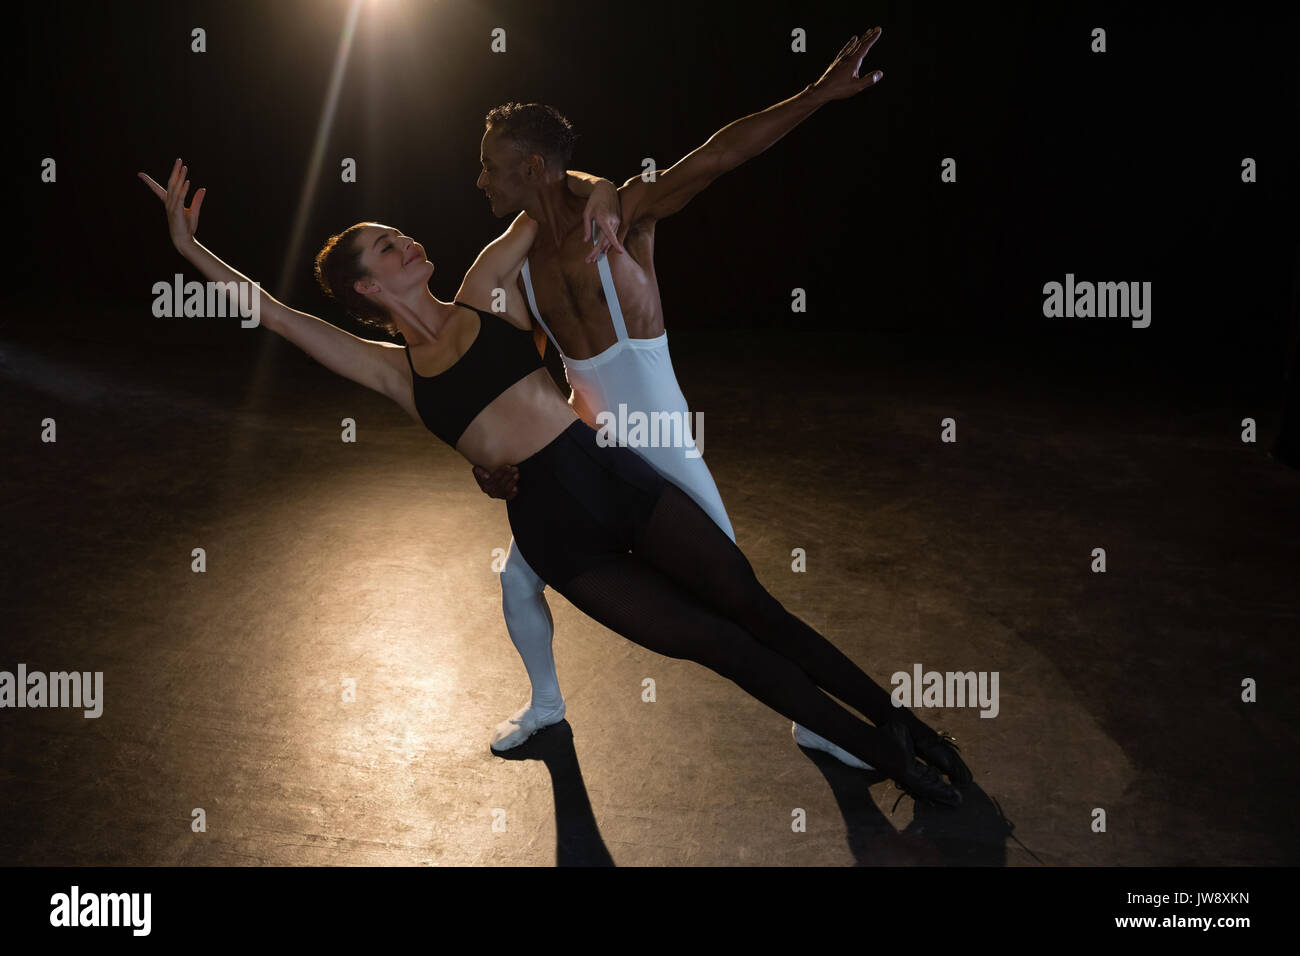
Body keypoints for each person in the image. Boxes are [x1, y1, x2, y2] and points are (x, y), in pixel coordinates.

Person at [137, 152, 970, 808]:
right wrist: (187, 247)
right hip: (561, 537)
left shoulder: (482, 292)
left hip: (612, 476)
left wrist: (603, 185)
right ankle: (886, 757)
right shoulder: (393, 372)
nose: (407, 242)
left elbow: (553, 196)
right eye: (388, 247)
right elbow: (276, 315)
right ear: (368, 287)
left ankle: (906, 726)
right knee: (719, 646)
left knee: (756, 609)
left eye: (401, 232)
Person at [472, 26, 918, 771]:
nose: (479, 180)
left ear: (531, 166)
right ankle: (547, 706)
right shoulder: (517, 263)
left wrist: (817, 94)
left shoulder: (625, 210)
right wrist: (489, 461)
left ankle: (820, 723)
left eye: (490, 167)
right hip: (588, 452)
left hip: (664, 445)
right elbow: (499, 376)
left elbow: (720, 155)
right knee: (517, 575)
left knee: (744, 605)